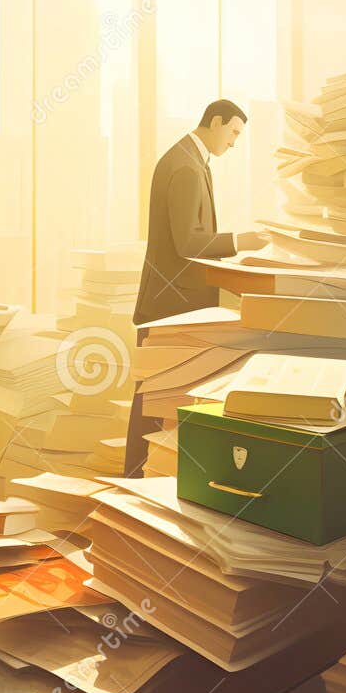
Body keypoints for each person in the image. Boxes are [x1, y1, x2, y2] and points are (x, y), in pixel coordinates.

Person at [125, 100, 267, 474]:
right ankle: (141, 479)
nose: (234, 143)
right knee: (157, 403)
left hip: (175, 299)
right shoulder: (186, 166)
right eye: (234, 132)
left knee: (157, 402)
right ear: (216, 122)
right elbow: (188, 243)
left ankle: (143, 477)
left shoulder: (189, 159)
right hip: (173, 304)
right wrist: (241, 242)